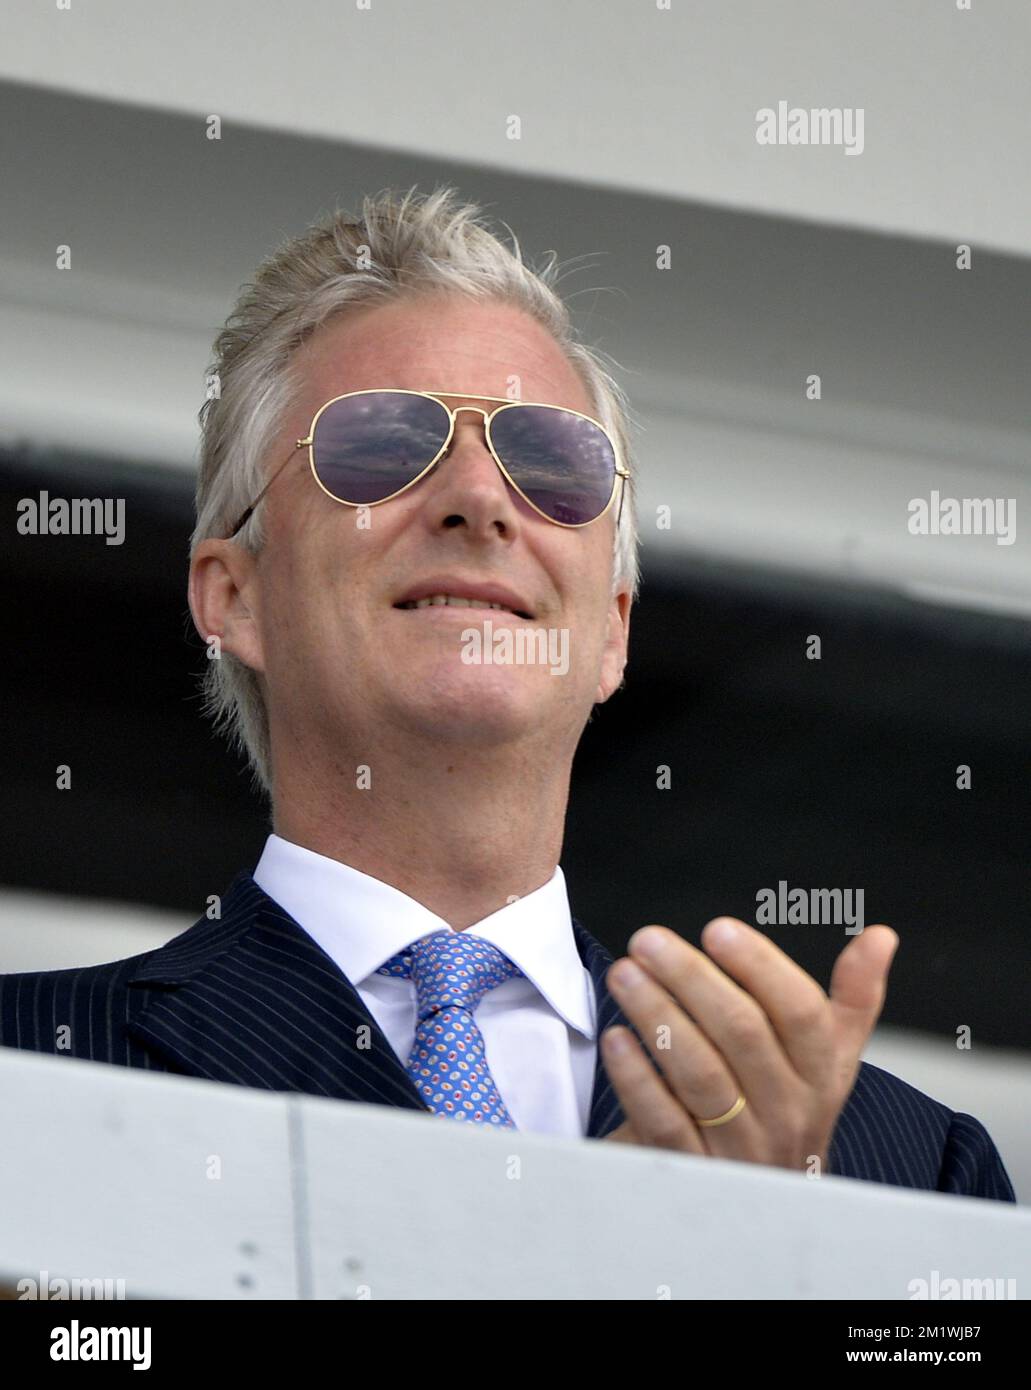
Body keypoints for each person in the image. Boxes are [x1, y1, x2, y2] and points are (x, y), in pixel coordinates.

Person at [0, 187, 1015, 1201]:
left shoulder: (911, 1171)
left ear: (611, 628)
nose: (481, 501)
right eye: (382, 447)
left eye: (550, 463)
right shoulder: (27, 1077)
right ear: (236, 597)